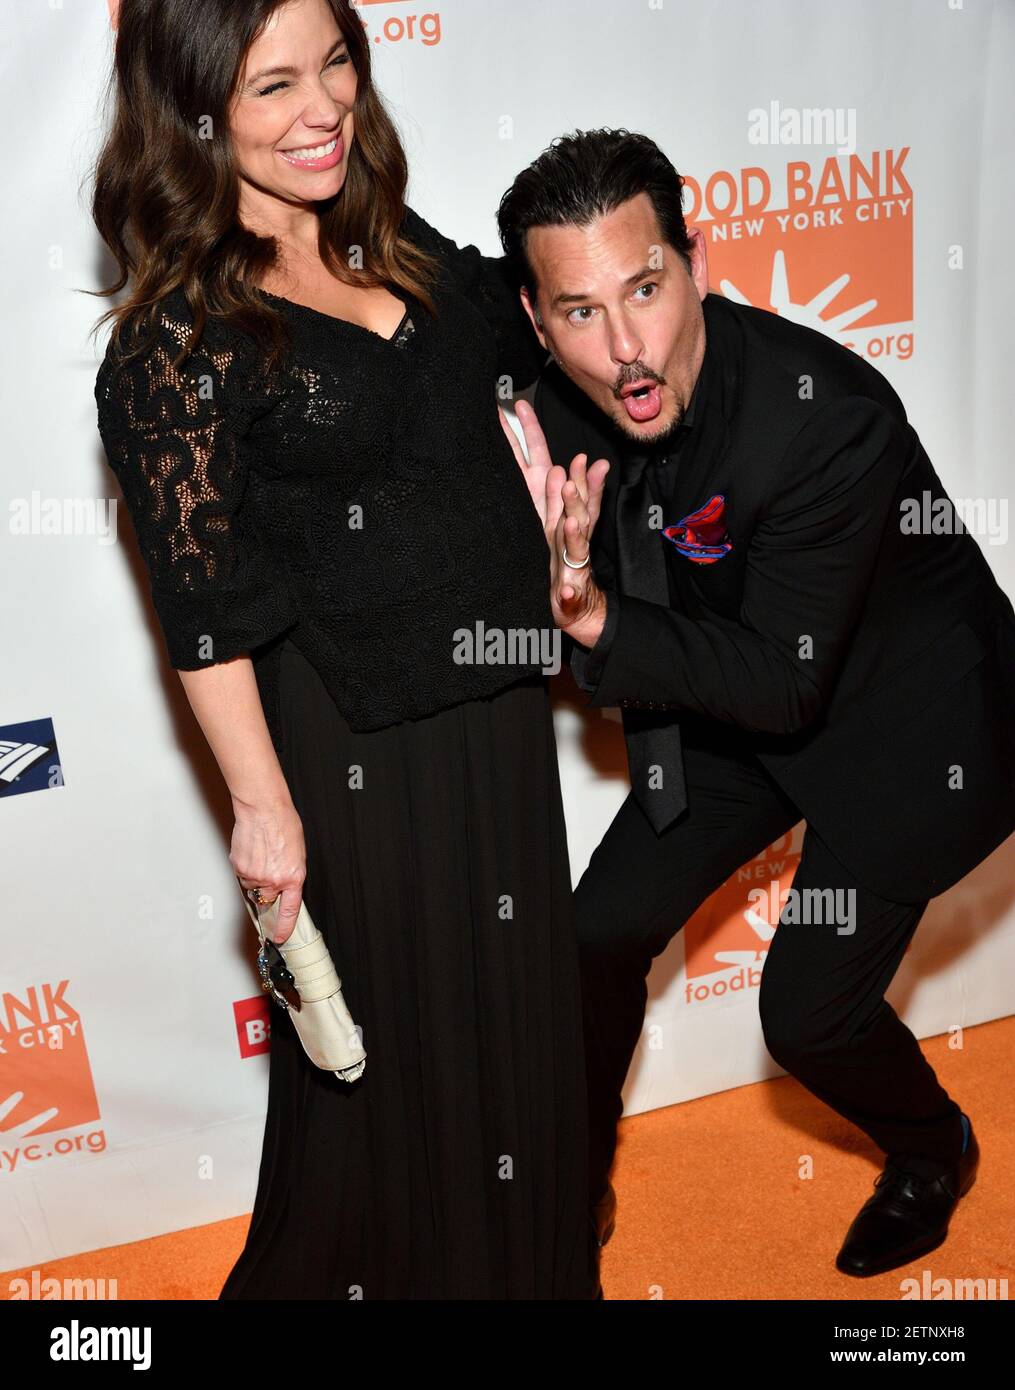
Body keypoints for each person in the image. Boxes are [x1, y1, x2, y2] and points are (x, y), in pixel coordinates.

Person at [90, 0, 602, 1300]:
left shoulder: (394, 239)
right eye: (272, 86)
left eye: (334, 64)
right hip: (355, 748)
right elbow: (201, 611)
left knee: (520, 1041)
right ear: (196, 114)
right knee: (403, 1066)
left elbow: (502, 382)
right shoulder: (172, 342)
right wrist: (263, 817)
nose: (321, 106)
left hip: (488, 712)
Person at [495, 127, 1015, 1278]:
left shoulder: (825, 417)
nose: (625, 347)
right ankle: (575, 1193)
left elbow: (787, 682)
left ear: (695, 260)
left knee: (808, 1014)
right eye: (579, 311)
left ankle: (936, 1147)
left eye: (645, 286)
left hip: (903, 731)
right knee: (592, 937)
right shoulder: (557, 399)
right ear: (535, 321)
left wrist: (590, 623)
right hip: (724, 692)